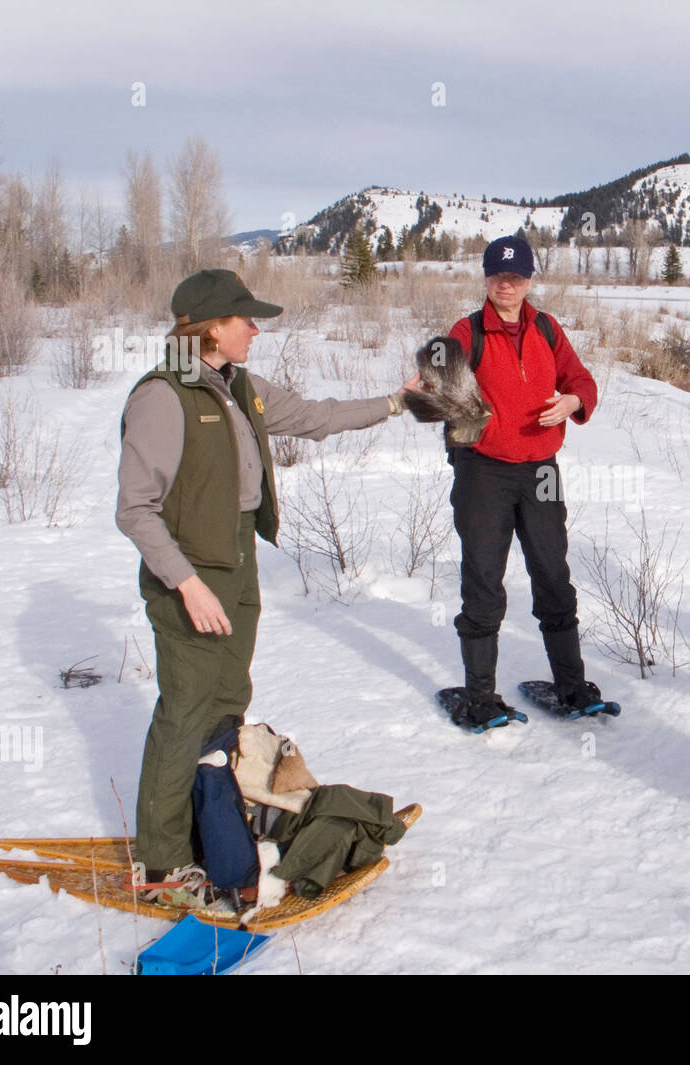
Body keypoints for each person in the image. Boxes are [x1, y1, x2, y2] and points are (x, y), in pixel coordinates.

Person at [117, 268, 418, 888]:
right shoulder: (163, 396)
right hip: (190, 573)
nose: (255, 329)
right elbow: (135, 509)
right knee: (185, 710)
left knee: (227, 703)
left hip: (238, 561)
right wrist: (186, 583)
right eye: (245, 319)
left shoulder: (240, 387)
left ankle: (215, 820)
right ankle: (163, 858)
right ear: (211, 328)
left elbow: (314, 416)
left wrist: (396, 403)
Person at [444, 235, 603, 730]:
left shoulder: (547, 329)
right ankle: (480, 697)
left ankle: (571, 685)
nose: (505, 285)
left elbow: (581, 380)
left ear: (530, 280)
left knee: (553, 572)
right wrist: (462, 410)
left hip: (541, 472)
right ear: (486, 279)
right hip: (485, 472)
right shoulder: (468, 331)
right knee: (484, 579)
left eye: (515, 277)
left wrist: (574, 402)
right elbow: (440, 388)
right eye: (497, 276)